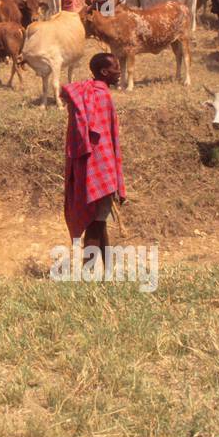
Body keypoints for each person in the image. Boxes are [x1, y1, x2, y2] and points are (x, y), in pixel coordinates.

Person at [60, 52, 126, 273]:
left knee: (99, 222)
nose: (119, 71)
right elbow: (102, 140)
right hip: (100, 170)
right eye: (116, 67)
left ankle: (107, 273)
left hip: (86, 169)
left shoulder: (87, 93)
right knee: (95, 225)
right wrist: (111, 177)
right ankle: (88, 276)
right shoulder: (101, 96)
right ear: (105, 72)